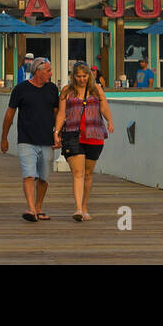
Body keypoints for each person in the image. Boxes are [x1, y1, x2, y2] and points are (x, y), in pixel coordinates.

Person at [1, 57, 59, 222]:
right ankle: (31, 209)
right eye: (48, 70)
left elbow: (57, 114)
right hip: (26, 140)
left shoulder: (52, 89)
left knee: (44, 178)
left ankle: (39, 207)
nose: (51, 73)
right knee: (29, 175)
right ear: (38, 72)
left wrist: (58, 134)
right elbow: (9, 115)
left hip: (47, 140)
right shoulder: (21, 89)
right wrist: (4, 137)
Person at [56, 61, 113, 222]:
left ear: (90, 75)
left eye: (84, 76)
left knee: (88, 174)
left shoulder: (97, 90)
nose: (82, 79)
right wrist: (56, 131)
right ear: (73, 76)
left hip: (94, 134)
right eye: (78, 76)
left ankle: (85, 206)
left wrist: (110, 121)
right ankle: (78, 209)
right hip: (74, 135)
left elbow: (104, 108)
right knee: (78, 173)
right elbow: (61, 113)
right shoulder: (67, 91)